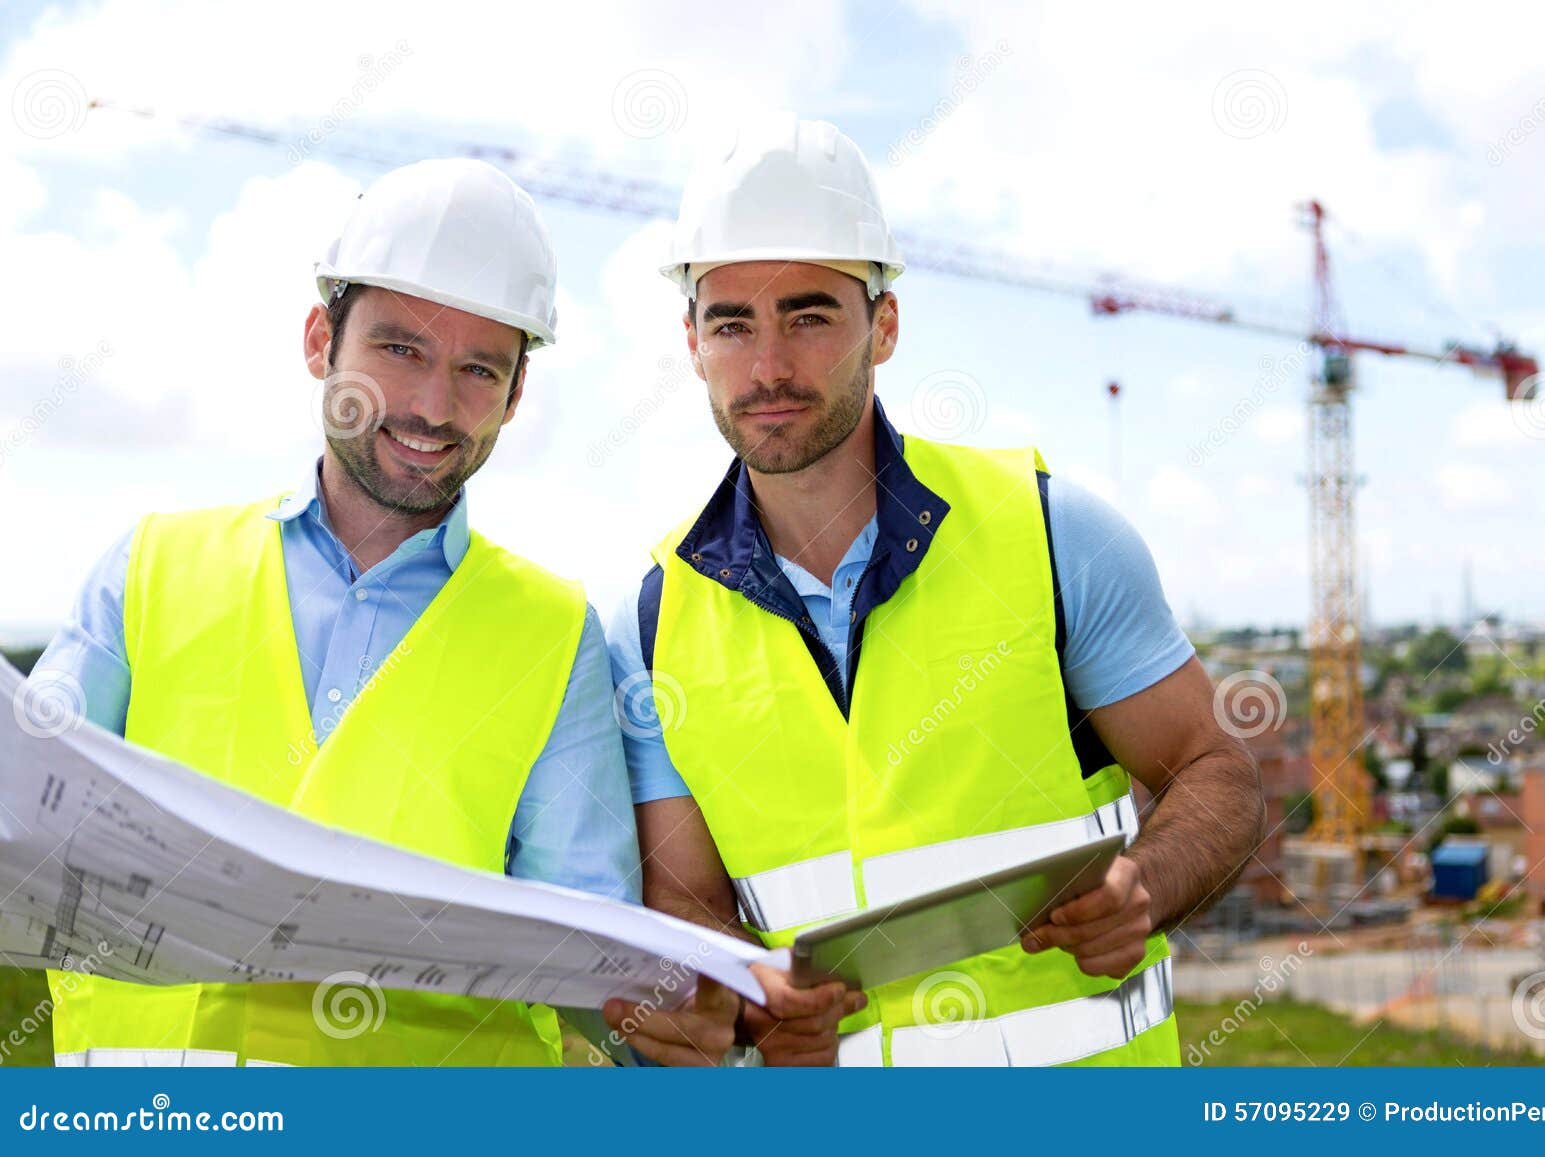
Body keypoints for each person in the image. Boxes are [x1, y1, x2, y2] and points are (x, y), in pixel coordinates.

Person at [605, 115, 1265, 1067]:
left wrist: (1144, 887)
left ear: (885, 325)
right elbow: (690, 905)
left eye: (810, 315)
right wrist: (752, 1000)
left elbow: (1217, 768)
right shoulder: (652, 622)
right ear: (694, 341)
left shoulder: (1051, 535)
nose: (770, 366)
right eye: (733, 324)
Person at [26, 158, 718, 1066]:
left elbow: (589, 961)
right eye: (401, 349)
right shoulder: (149, 569)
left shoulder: (555, 633)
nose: (435, 406)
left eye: (479, 369)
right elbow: (25, 824)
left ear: (516, 397)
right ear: (323, 342)